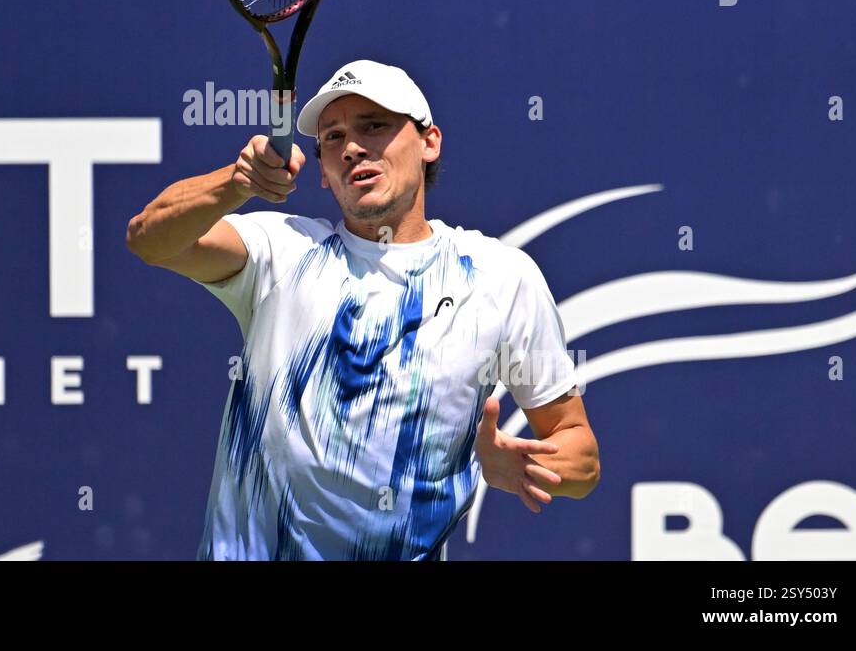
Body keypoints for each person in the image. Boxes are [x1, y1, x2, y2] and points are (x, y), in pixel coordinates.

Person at [126, 59, 599, 560]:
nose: (352, 147)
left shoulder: (500, 277)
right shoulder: (282, 250)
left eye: (374, 125)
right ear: (325, 175)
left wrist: (522, 464)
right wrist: (237, 182)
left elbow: (581, 455)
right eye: (332, 137)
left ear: (429, 142)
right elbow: (149, 239)